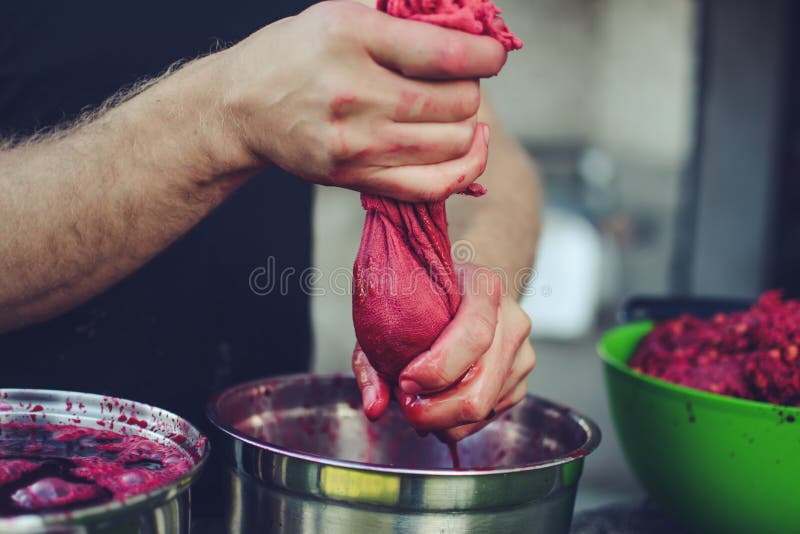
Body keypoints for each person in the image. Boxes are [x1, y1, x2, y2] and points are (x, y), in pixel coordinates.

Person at [0, 0, 541, 520]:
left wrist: (475, 278)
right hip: (33, 488)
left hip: (261, 479)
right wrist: (226, 117)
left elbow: (490, 154)